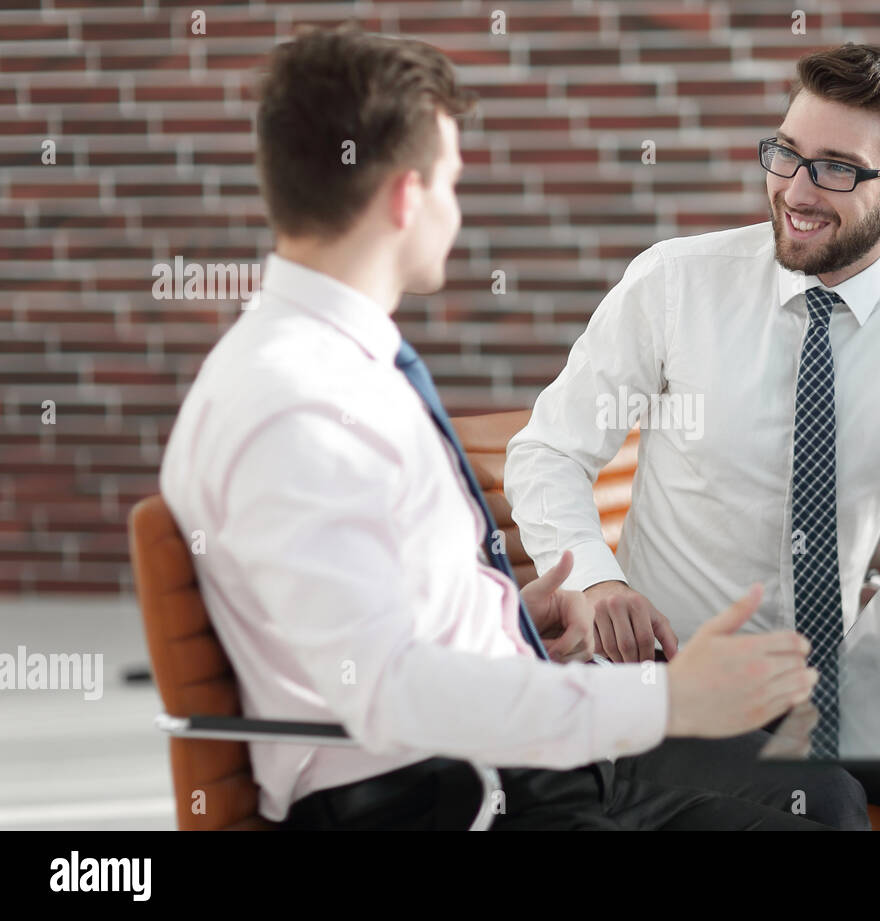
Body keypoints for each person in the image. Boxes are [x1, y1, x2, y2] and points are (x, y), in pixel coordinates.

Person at [159, 25, 828, 831]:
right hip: (437, 803)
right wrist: (666, 698)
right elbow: (383, 688)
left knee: (819, 801)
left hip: (499, 769)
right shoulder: (295, 402)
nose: (456, 206)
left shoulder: (337, 366)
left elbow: (366, 607)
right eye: (451, 181)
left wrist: (504, 620)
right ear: (408, 197)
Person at [505, 43, 880, 828]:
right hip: (683, 681)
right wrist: (595, 581)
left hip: (841, 682)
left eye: (837, 169)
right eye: (786, 153)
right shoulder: (675, 283)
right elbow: (547, 451)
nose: (796, 189)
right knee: (825, 804)